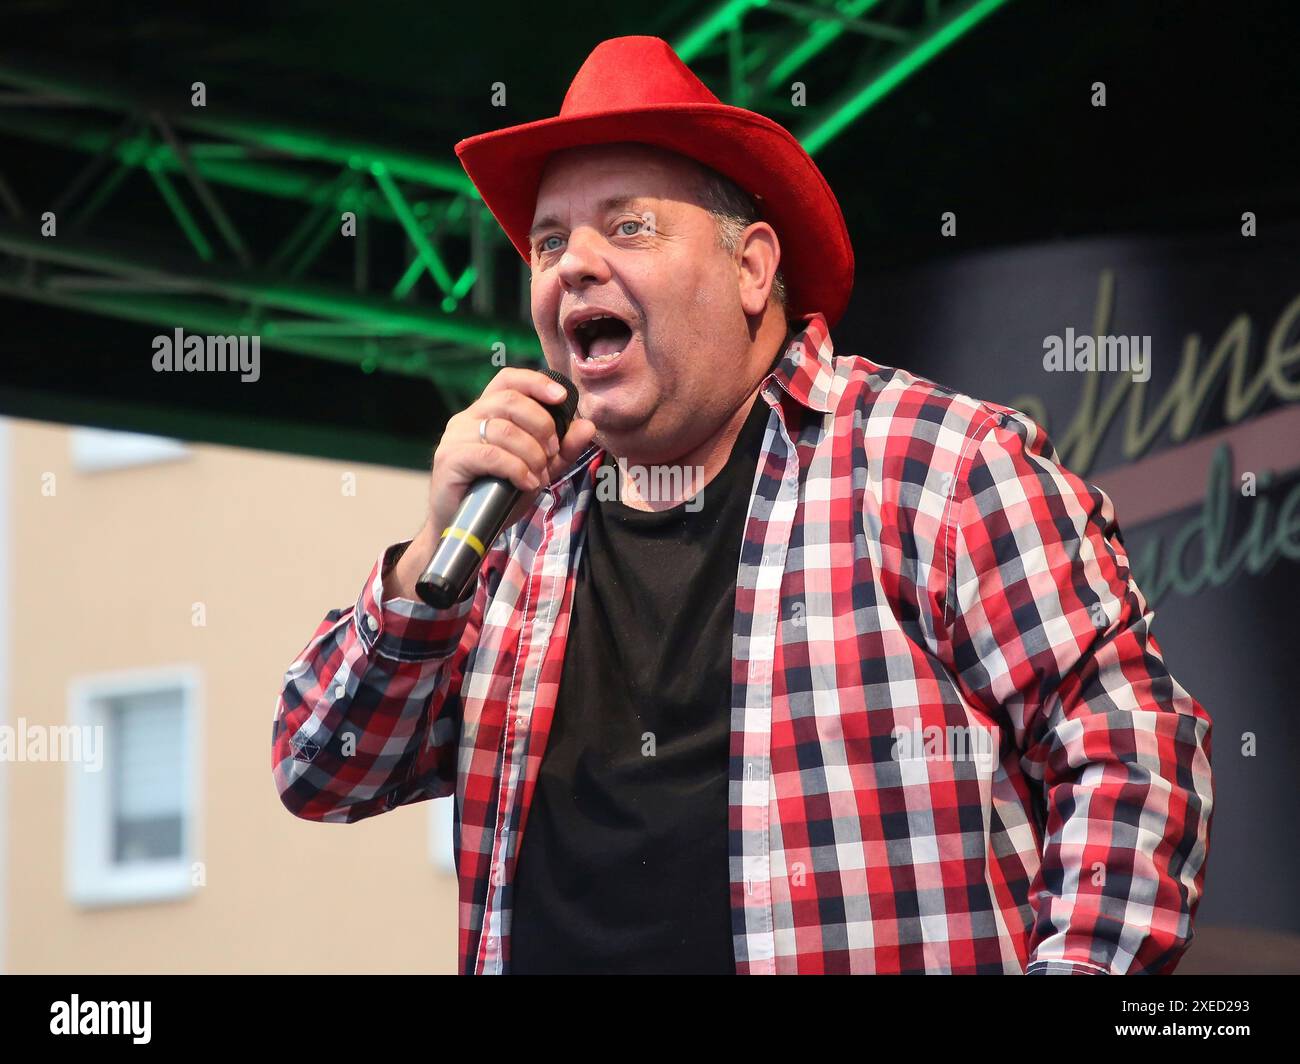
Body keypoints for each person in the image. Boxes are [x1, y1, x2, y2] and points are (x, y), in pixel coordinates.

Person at [272, 36, 1213, 975]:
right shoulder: (514, 531)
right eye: (549, 242)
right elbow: (320, 768)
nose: (572, 266)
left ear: (752, 267)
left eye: (628, 227)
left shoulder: (935, 467)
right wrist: (430, 552)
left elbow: (1133, 750)